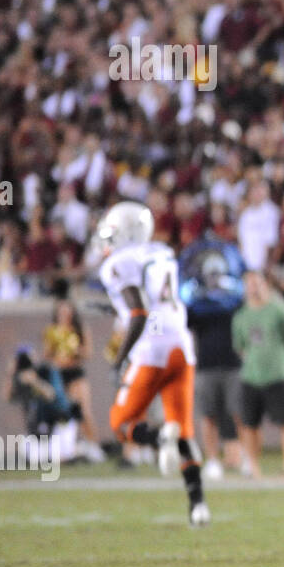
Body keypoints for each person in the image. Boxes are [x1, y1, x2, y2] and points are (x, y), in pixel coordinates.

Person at [94, 201, 209, 526]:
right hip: (181, 347)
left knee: (121, 423)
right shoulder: (161, 251)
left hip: (151, 351)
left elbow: (139, 311)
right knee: (184, 429)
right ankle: (198, 505)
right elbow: (156, 301)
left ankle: (159, 439)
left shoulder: (118, 261)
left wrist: (119, 360)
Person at [180, 237, 247, 479]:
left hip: (232, 364)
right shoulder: (198, 302)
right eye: (211, 274)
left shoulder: (234, 300)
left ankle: (243, 457)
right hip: (206, 365)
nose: (215, 279)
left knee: (239, 413)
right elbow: (185, 320)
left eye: (218, 274)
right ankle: (213, 460)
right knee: (208, 415)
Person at [231, 270, 284, 478]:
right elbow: (241, 346)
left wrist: (277, 358)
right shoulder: (242, 315)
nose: (253, 287)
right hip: (251, 376)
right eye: (249, 284)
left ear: (265, 284)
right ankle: (252, 466)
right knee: (249, 424)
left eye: (256, 282)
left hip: (278, 374)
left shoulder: (280, 310)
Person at [42, 299, 106, 463]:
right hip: (59, 375)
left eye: (67, 310)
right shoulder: (52, 330)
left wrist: (76, 350)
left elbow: (88, 353)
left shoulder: (79, 329)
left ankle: (94, 446)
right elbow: (47, 354)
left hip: (75, 373)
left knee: (83, 411)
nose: (64, 314)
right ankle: (65, 449)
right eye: (61, 311)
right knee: (63, 413)